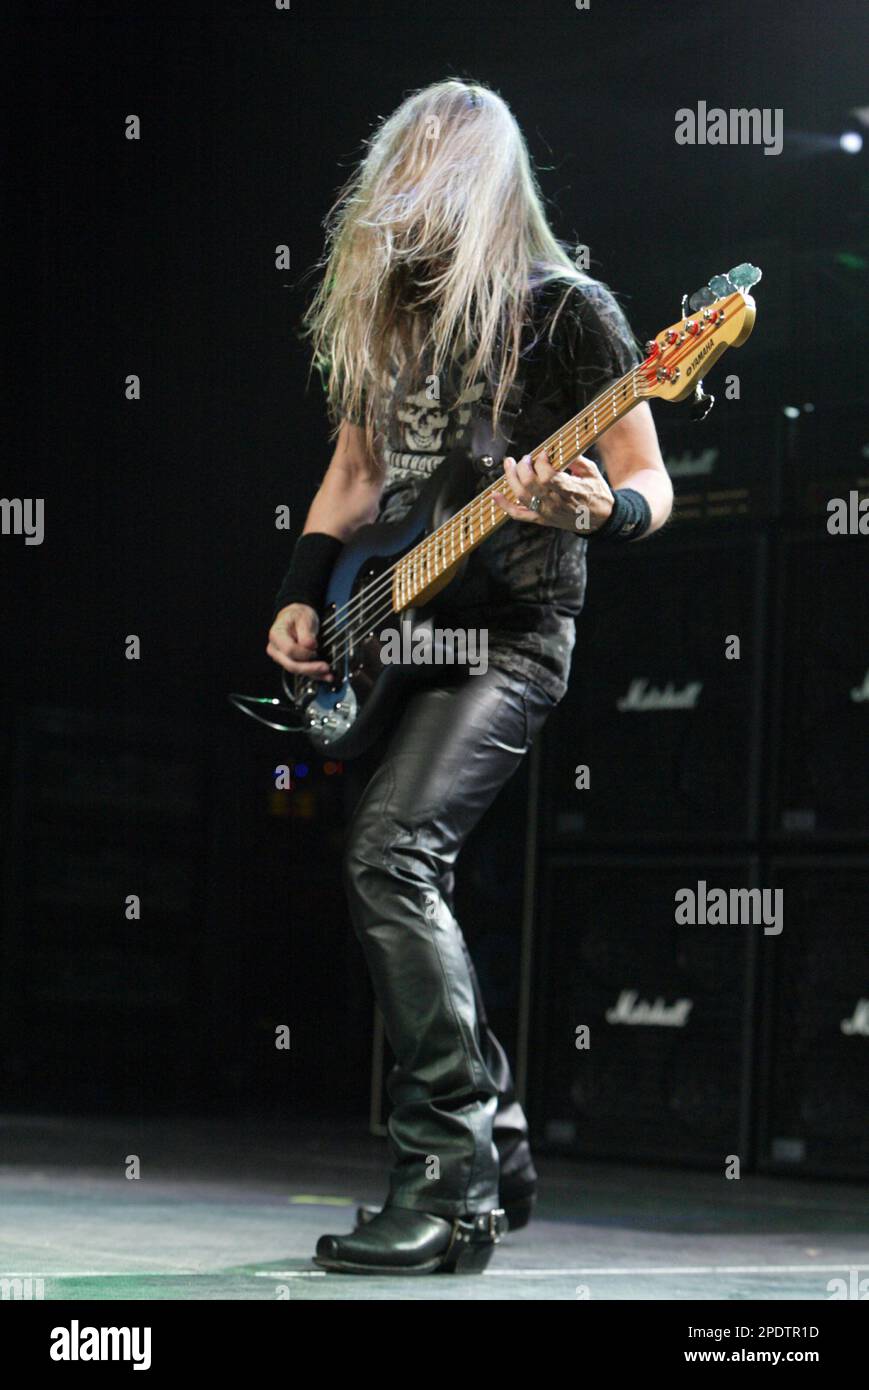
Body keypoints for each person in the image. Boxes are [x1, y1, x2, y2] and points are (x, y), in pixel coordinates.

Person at [266, 79, 672, 1275]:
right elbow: (353, 471)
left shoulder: (564, 312)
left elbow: (649, 473)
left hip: (511, 631)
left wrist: (606, 510)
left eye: (436, 163)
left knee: (389, 854)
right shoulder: (392, 316)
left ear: (483, 177)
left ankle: (447, 1182)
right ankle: (488, 1119)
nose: (408, 186)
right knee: (398, 864)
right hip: (395, 627)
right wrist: (300, 591)